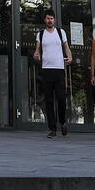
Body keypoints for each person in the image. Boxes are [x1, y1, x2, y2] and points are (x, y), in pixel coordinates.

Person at [33, 10, 71, 138]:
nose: (50, 20)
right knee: (48, 101)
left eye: (52, 18)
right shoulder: (41, 34)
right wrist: (36, 53)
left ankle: (63, 121)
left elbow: (66, 46)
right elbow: (37, 48)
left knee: (61, 98)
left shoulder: (61, 32)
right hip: (46, 69)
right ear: (45, 20)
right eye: (48, 18)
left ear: (54, 20)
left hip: (59, 69)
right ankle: (53, 129)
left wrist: (69, 56)